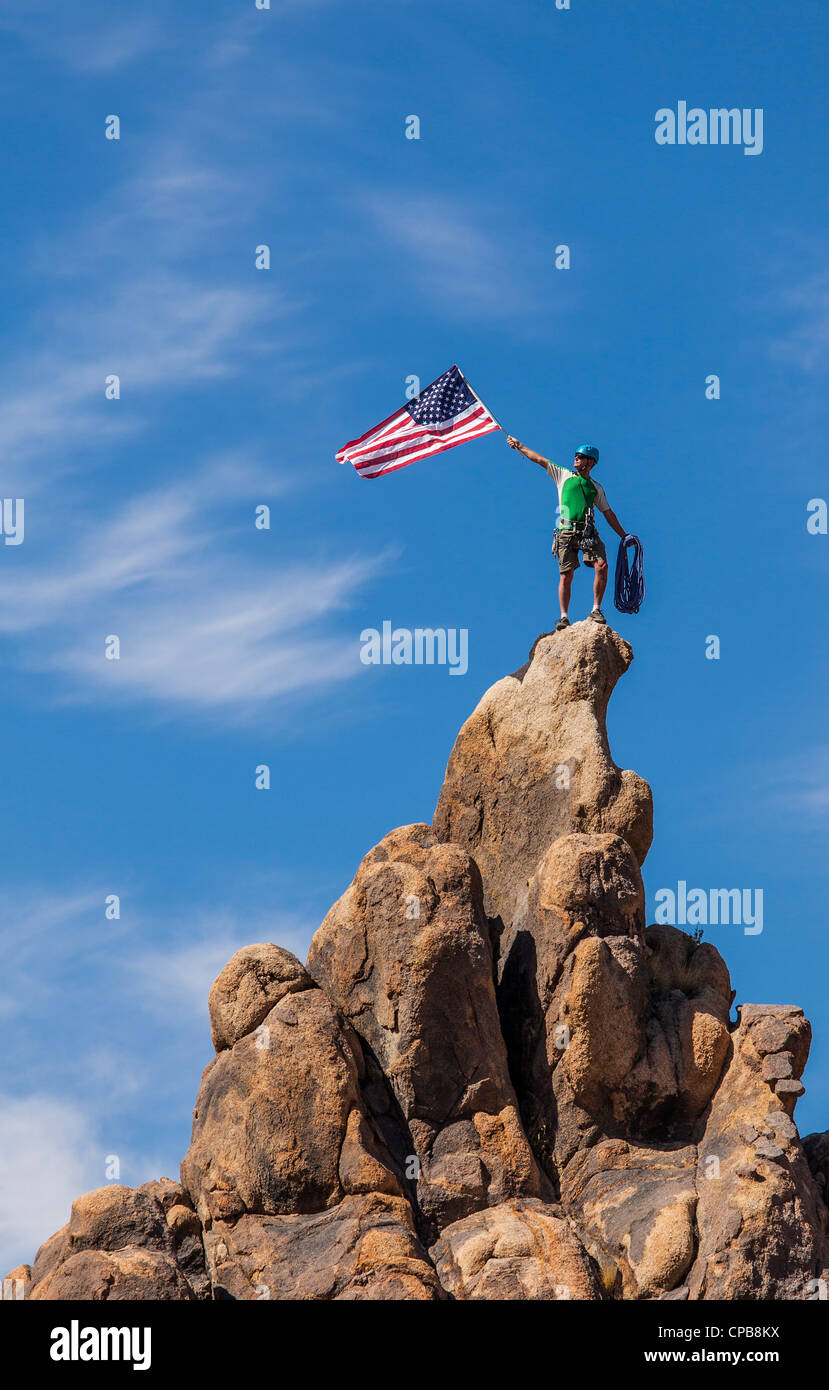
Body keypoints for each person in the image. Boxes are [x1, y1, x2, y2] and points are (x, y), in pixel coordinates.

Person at [506, 438, 630, 630]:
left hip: (587, 531)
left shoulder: (595, 487)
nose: (576, 459)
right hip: (565, 531)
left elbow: (608, 513)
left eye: (580, 457)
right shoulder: (563, 475)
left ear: (590, 462)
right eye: (576, 456)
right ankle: (564, 616)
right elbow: (540, 459)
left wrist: (624, 536)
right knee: (566, 574)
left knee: (602, 565)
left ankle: (596, 609)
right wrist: (519, 446)